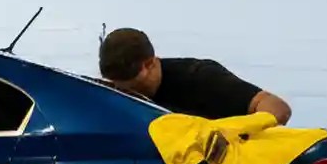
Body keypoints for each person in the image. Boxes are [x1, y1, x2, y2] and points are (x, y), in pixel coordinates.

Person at [98, 27, 292, 125]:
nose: (131, 94)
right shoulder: (115, 94)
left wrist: (234, 132)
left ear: (151, 63)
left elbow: (278, 108)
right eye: (123, 89)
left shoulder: (200, 77)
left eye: (136, 87)